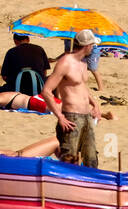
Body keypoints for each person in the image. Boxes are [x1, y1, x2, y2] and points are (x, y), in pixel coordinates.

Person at [41, 29, 102, 167]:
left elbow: (81, 88)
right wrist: (60, 117)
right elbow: (46, 91)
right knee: (69, 159)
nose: (93, 48)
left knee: (91, 159)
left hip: (87, 117)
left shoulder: (83, 64)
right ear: (87, 46)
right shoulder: (65, 62)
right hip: (71, 117)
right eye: (92, 45)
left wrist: (95, 105)